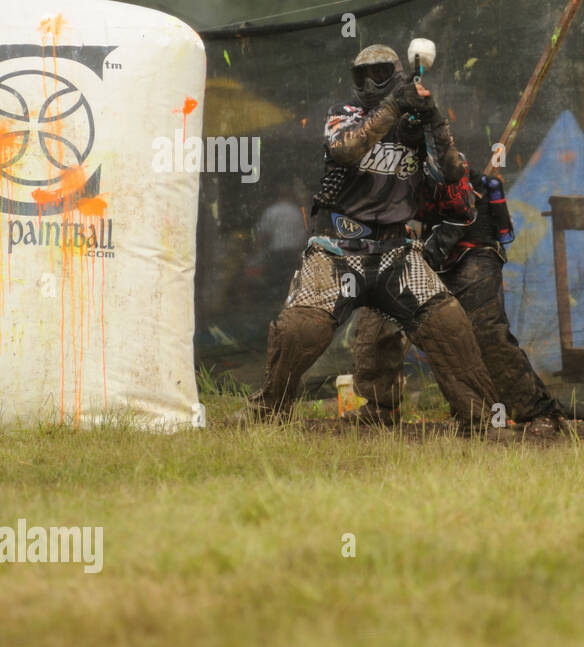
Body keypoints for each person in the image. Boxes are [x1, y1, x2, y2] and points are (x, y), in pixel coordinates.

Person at [238, 43, 497, 427]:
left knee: (448, 325)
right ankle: (267, 411)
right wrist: (393, 106)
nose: (368, 82)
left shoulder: (416, 121)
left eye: (378, 73)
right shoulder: (344, 114)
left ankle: (479, 420)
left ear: (395, 73)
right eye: (361, 75)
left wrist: (433, 118)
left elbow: (452, 172)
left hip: (397, 251)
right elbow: (344, 149)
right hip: (336, 248)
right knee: (300, 329)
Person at [349, 167, 567, 431]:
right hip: (423, 243)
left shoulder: (434, 149)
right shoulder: (377, 163)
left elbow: (461, 213)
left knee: (483, 328)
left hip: (473, 241)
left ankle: (538, 413)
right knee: (380, 316)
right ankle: (381, 408)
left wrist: (426, 250)